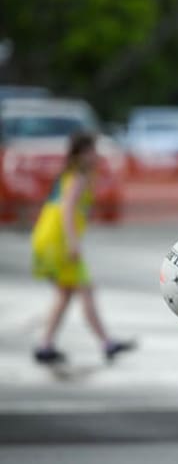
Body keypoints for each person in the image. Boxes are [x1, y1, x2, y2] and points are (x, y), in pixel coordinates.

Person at [31, 132, 135, 364]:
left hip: (50, 237)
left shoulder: (77, 175)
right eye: (92, 150)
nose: (96, 155)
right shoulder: (77, 177)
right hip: (57, 240)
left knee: (65, 293)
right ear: (81, 153)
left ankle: (45, 345)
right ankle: (107, 343)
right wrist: (72, 243)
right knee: (85, 290)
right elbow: (67, 210)